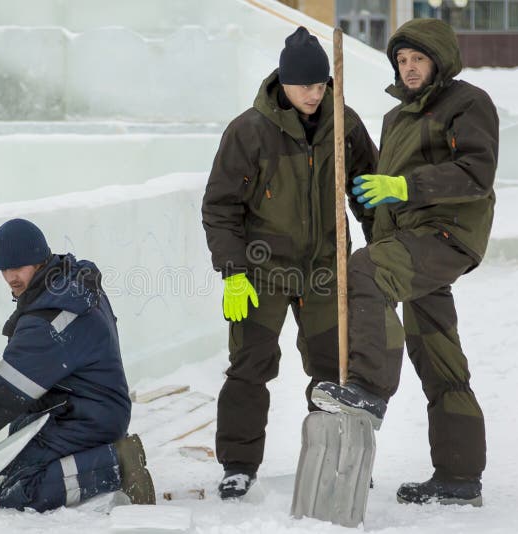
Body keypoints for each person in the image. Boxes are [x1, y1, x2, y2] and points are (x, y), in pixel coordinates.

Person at [312, 18, 499, 507]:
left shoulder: (467, 102)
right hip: (410, 240)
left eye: (417, 58)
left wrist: (404, 187)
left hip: (446, 235)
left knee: (364, 272)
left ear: (437, 59)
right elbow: (385, 189)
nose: (409, 68)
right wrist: (377, 205)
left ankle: (369, 390)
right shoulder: (397, 119)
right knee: (438, 357)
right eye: (401, 60)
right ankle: (459, 477)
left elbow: (476, 172)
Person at [201, 26, 378, 499]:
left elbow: (367, 192)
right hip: (262, 271)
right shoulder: (249, 131)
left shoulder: (345, 124)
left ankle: (336, 456)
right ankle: (238, 464)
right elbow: (220, 207)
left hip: (324, 268)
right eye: (305, 86)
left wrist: (379, 248)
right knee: (250, 366)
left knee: (331, 370)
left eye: (321, 85)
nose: (315, 94)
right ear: (284, 81)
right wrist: (233, 270)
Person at [0, 218, 155, 511]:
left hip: (88, 416)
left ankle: (117, 463)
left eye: (19, 267)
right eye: (4, 269)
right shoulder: (69, 284)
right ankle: (101, 456)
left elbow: (5, 392)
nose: (10, 277)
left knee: (17, 489)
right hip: (87, 404)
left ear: (40, 261)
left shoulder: (53, 315)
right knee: (12, 461)